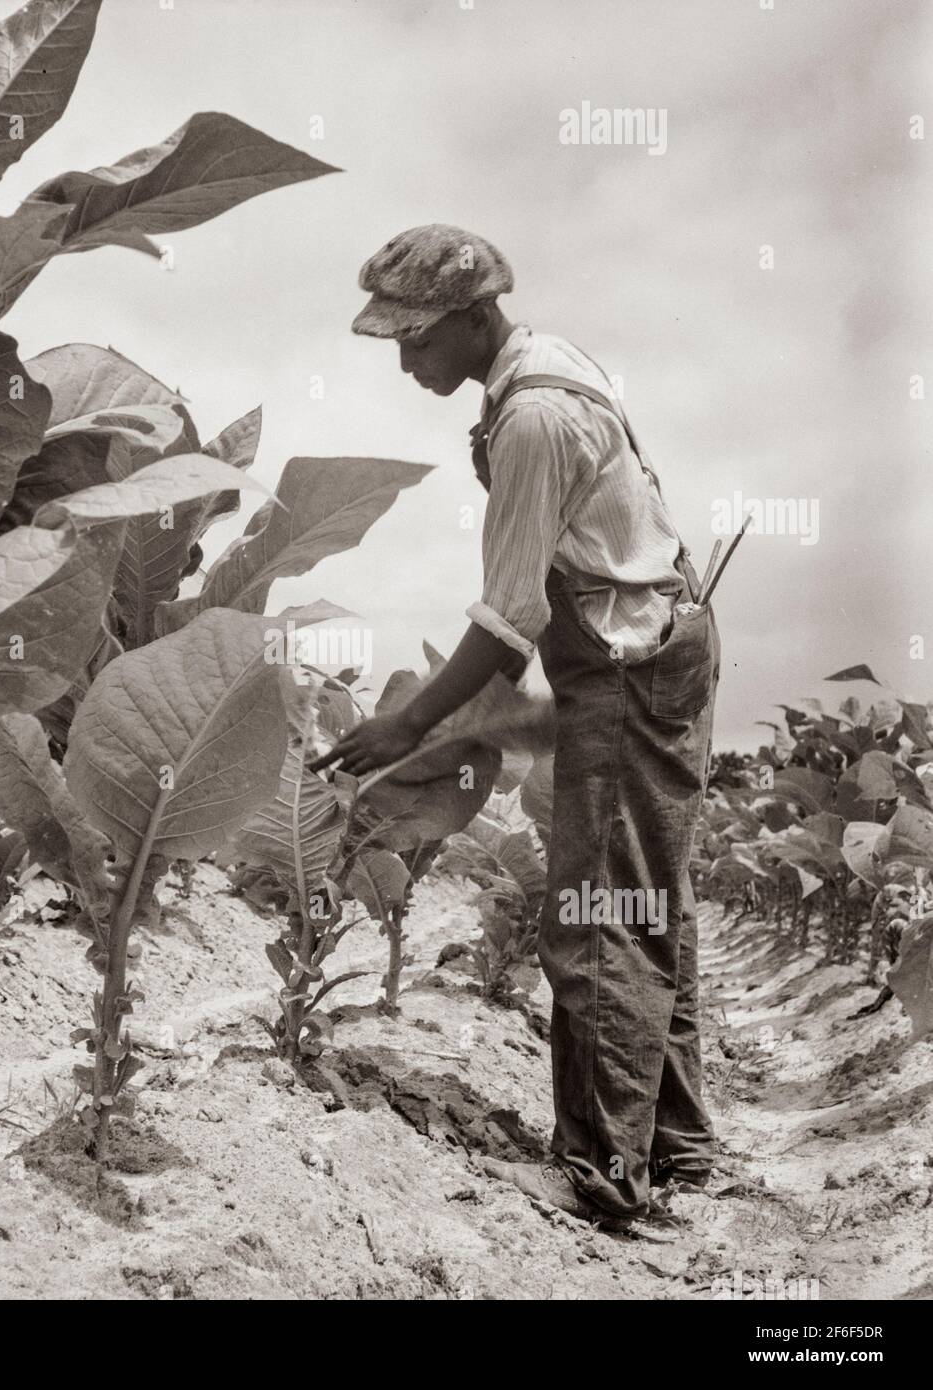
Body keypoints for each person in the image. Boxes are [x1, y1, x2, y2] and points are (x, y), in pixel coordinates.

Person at [313, 225, 721, 1225]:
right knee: (644, 901)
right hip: (651, 646)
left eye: (415, 339)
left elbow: (505, 623)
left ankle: (603, 1175)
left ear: (471, 317)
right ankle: (676, 1145)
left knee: (596, 915)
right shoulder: (546, 364)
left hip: (627, 663)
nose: (404, 359)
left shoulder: (531, 415)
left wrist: (404, 724)